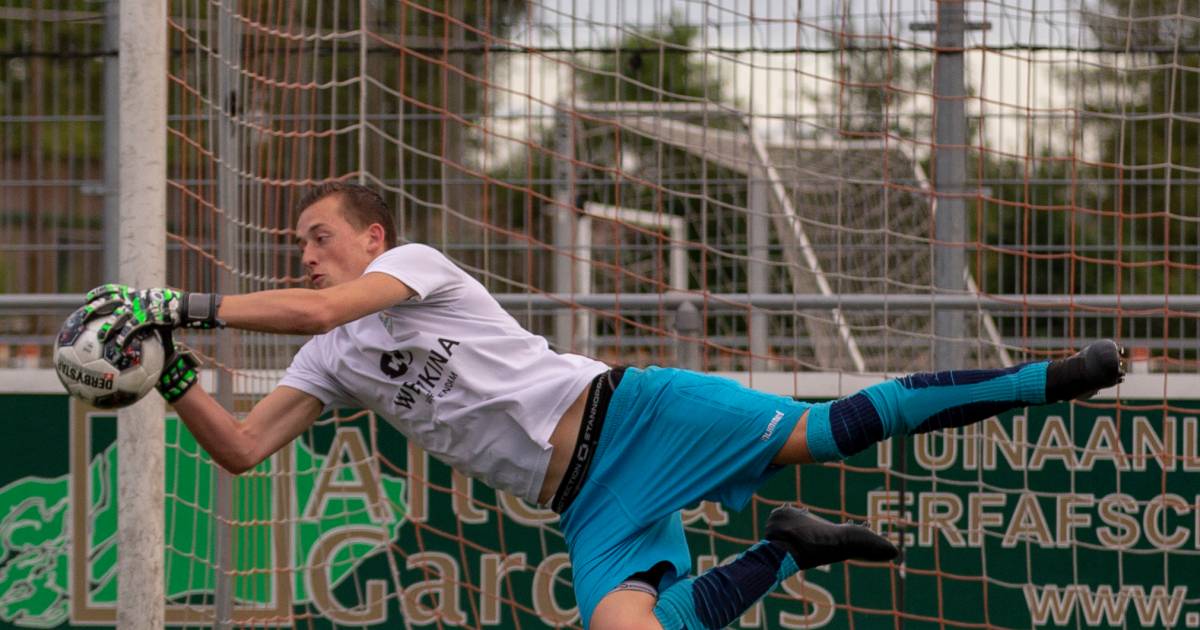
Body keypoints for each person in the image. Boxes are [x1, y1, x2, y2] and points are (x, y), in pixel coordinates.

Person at [84, 182, 1125, 630]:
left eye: (318, 235)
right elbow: (240, 450)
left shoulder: (411, 268)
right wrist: (171, 372)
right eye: (298, 243)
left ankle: (1051, 377)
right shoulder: (337, 357)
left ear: (371, 237)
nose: (305, 253)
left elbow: (322, 313)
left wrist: (184, 304)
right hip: (587, 507)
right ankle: (787, 552)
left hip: (634, 416)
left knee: (827, 430)